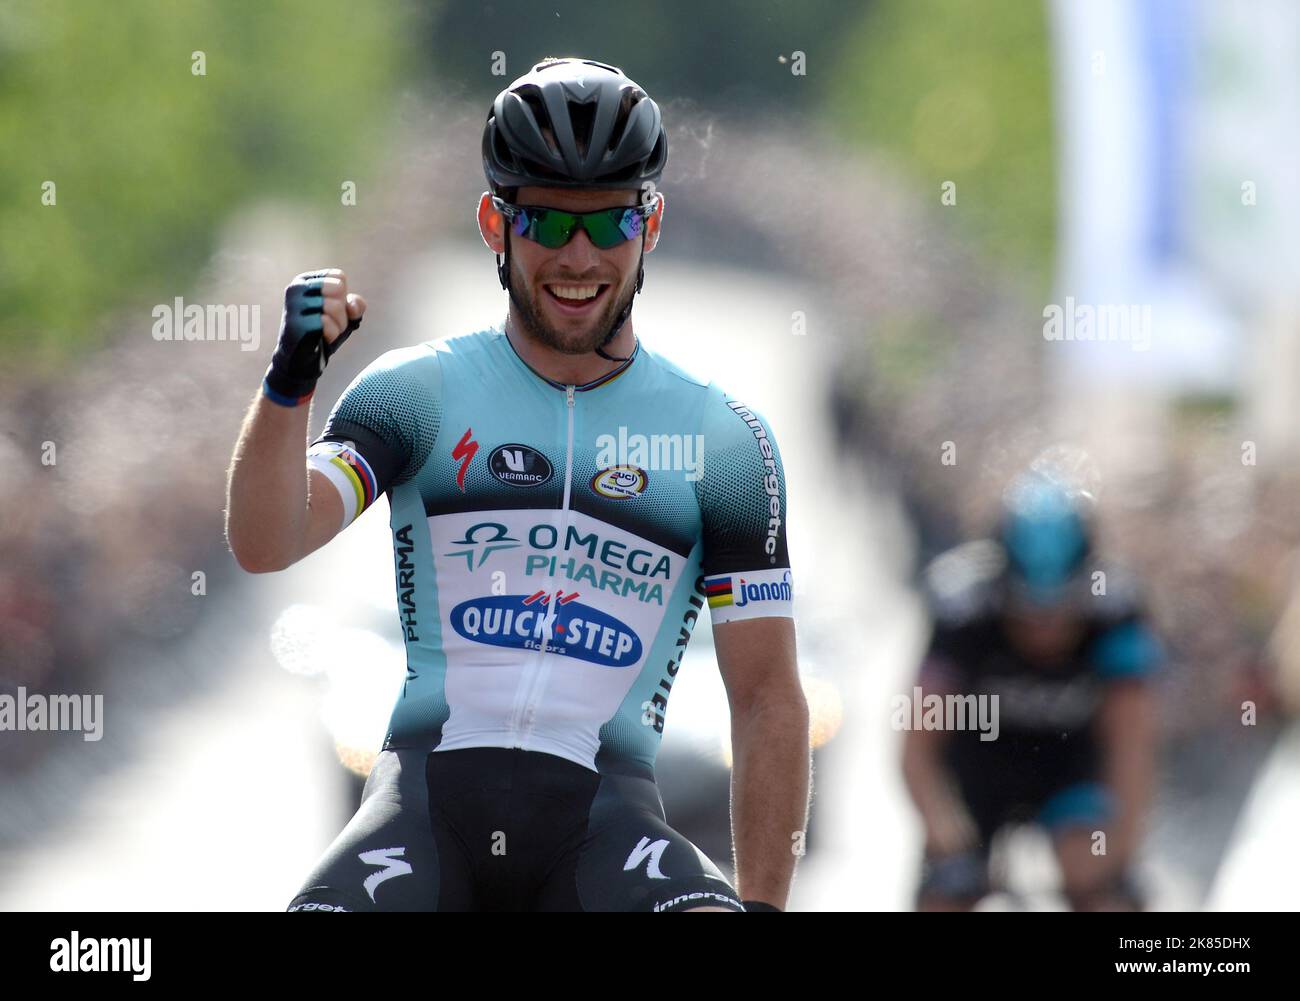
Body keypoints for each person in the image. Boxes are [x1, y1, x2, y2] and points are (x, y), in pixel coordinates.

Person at [225, 57, 809, 912]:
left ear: (652, 225)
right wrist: (288, 389)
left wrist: (763, 905)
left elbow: (766, 700)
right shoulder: (415, 392)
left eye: (610, 222)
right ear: (496, 225)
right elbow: (265, 540)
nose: (579, 255)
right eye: (547, 220)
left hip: (611, 827)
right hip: (422, 811)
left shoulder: (723, 441)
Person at [901, 472, 1162, 911]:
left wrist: (1117, 856)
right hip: (976, 770)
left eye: (1061, 612)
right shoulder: (962, 607)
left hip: (1070, 767)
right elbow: (916, 751)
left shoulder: (1116, 607)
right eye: (1029, 613)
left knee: (1098, 882)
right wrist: (948, 842)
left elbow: (1133, 748)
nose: (1046, 630)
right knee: (946, 894)